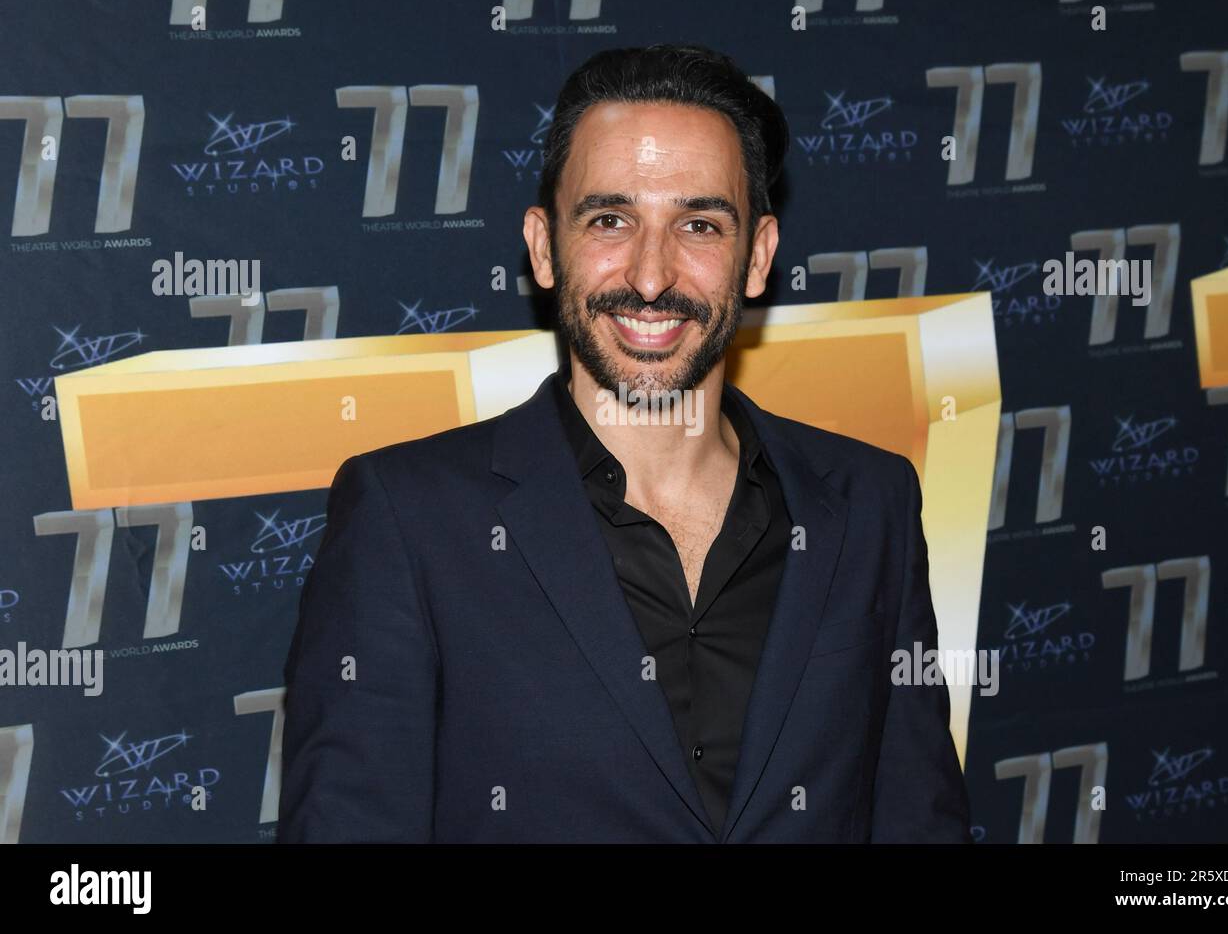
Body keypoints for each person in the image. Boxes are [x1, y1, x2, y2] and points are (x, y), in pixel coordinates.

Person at [279, 43, 971, 843]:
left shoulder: (868, 501)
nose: (650, 275)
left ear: (759, 257)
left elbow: (919, 818)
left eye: (699, 223)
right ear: (544, 248)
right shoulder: (411, 518)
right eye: (611, 219)